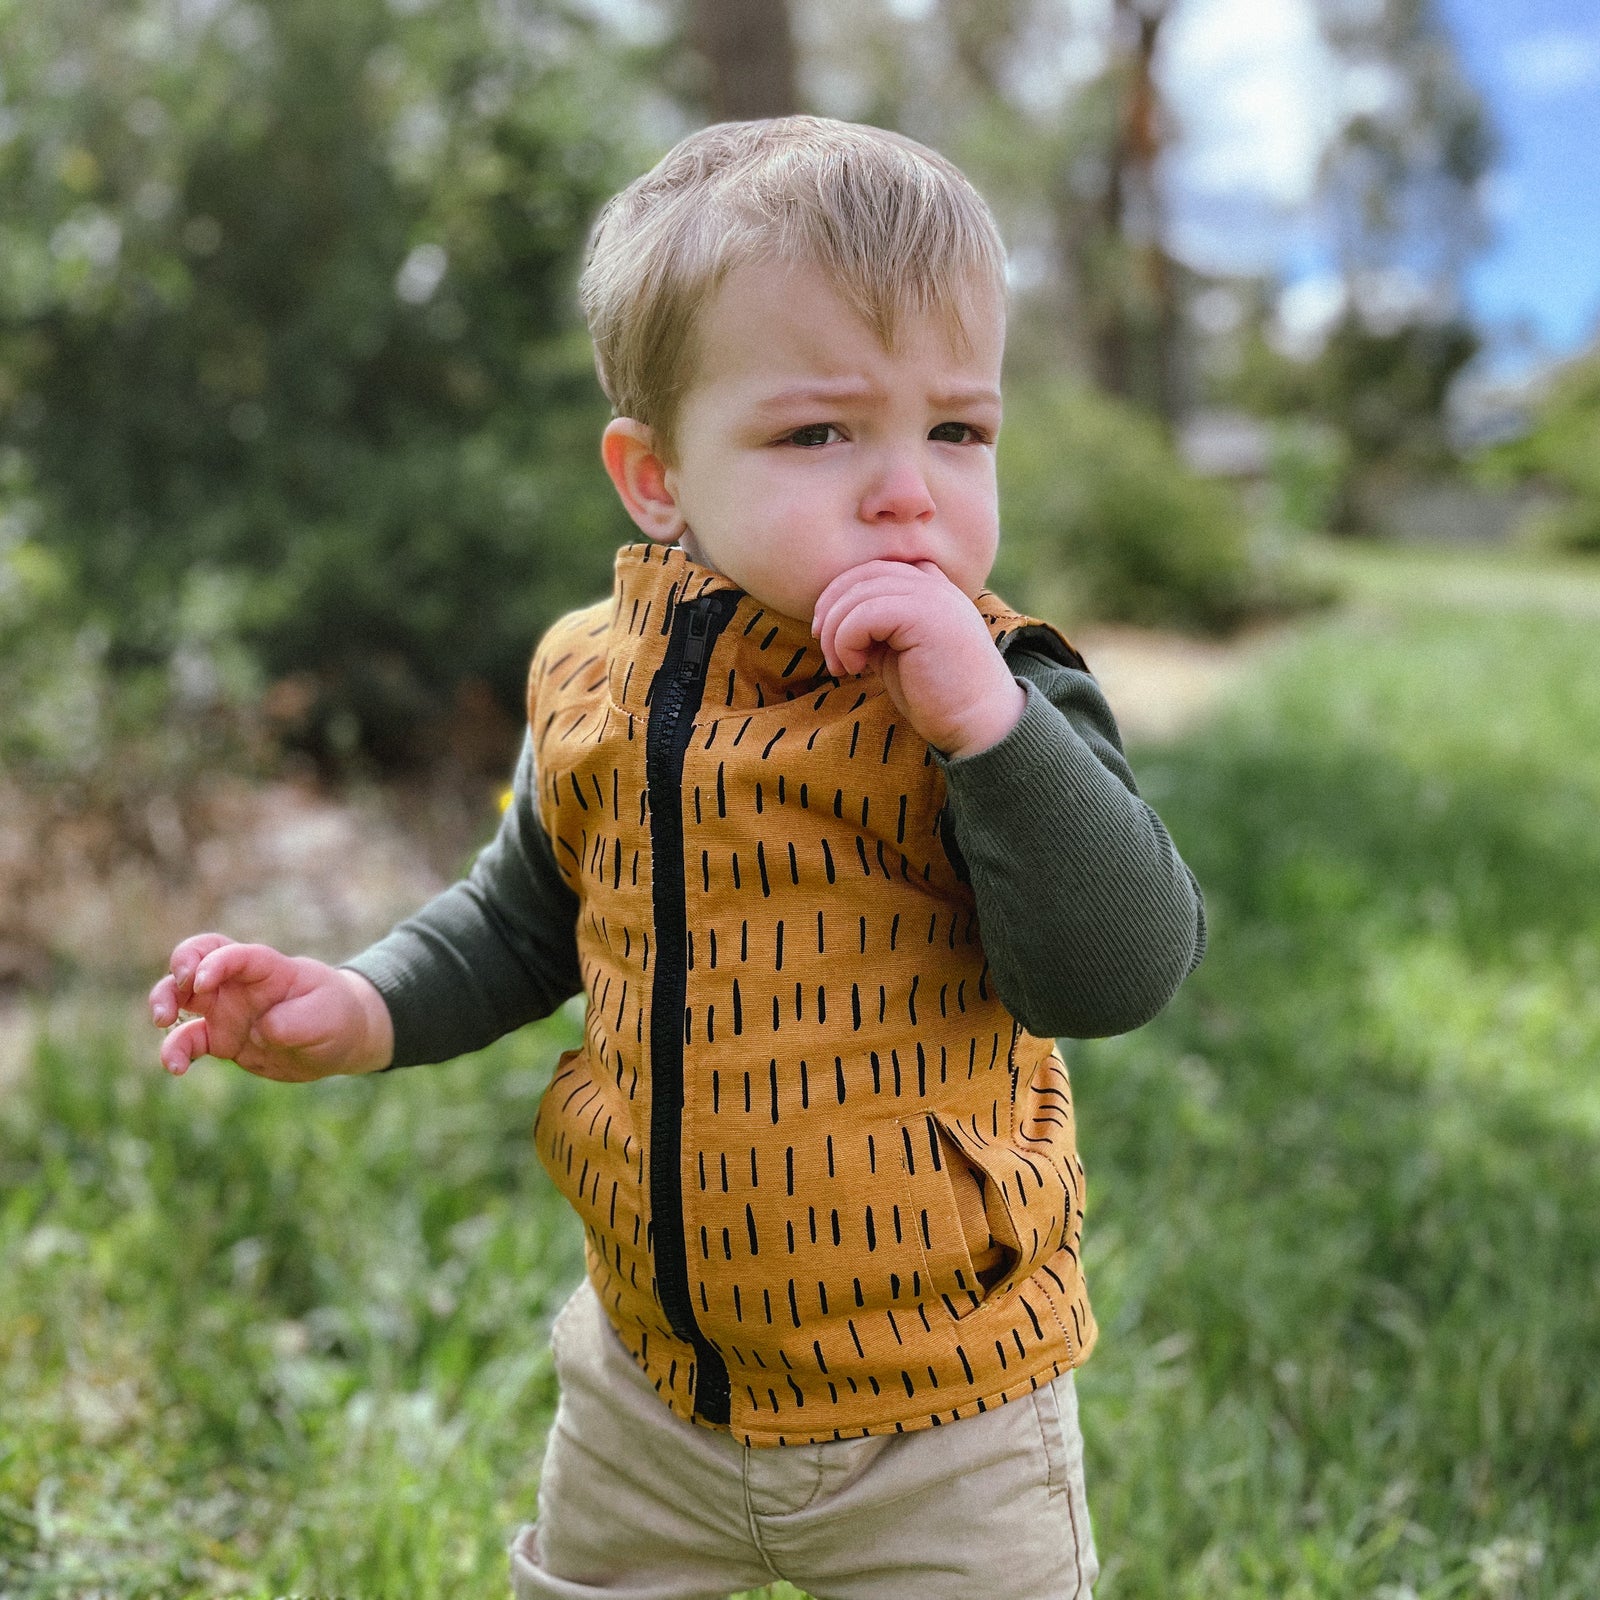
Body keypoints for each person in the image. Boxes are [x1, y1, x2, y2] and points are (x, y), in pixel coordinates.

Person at [150, 115, 1206, 1599]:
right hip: (651, 1390)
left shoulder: (1007, 695)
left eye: (957, 429)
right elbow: (520, 918)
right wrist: (365, 1005)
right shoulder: (594, 678)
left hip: (946, 1416)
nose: (908, 488)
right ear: (657, 479)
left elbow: (1120, 970)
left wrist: (986, 726)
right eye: (820, 432)